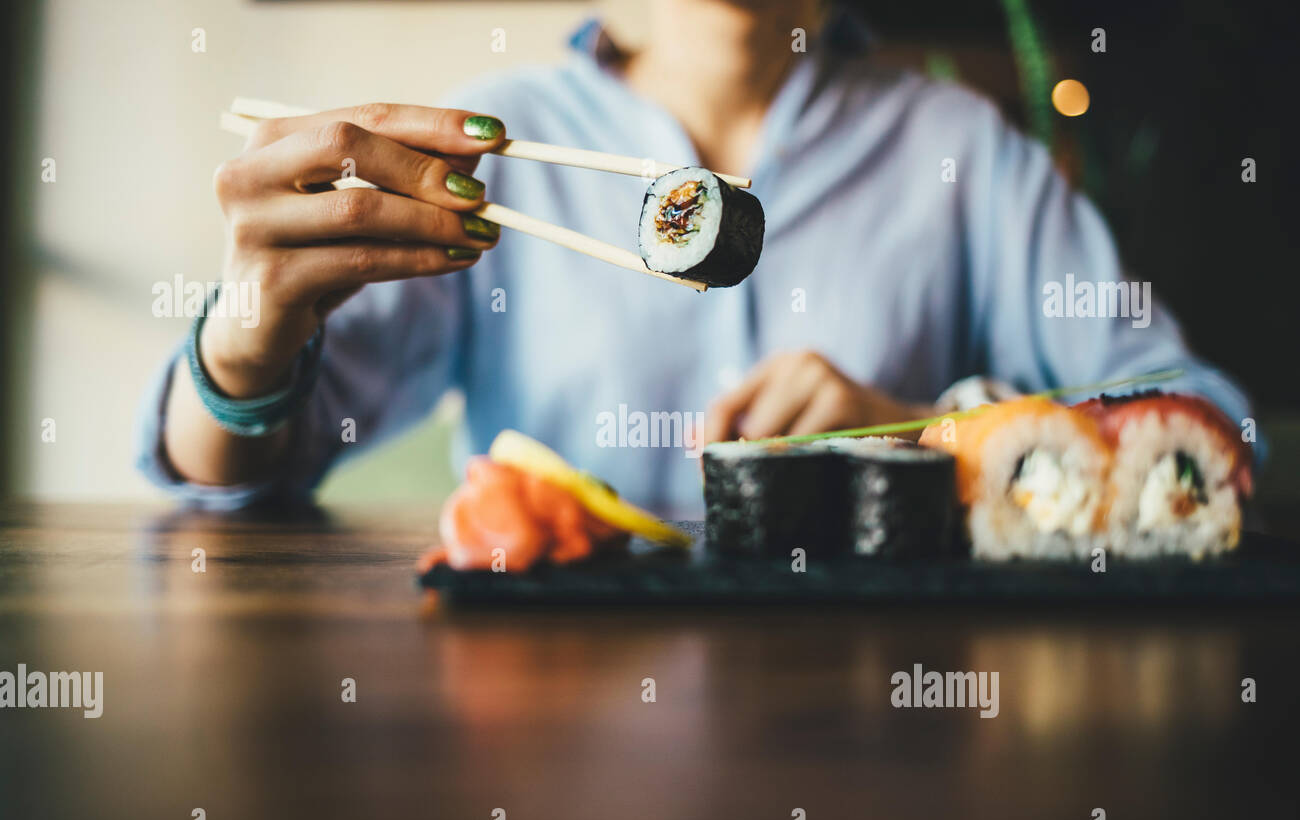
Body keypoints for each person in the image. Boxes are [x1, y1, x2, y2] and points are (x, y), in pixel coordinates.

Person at [137, 0, 1250, 517]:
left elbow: (1201, 426)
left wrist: (930, 433)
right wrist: (246, 335)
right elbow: (234, 473)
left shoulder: (963, 148)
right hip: (549, 725)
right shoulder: (488, 139)